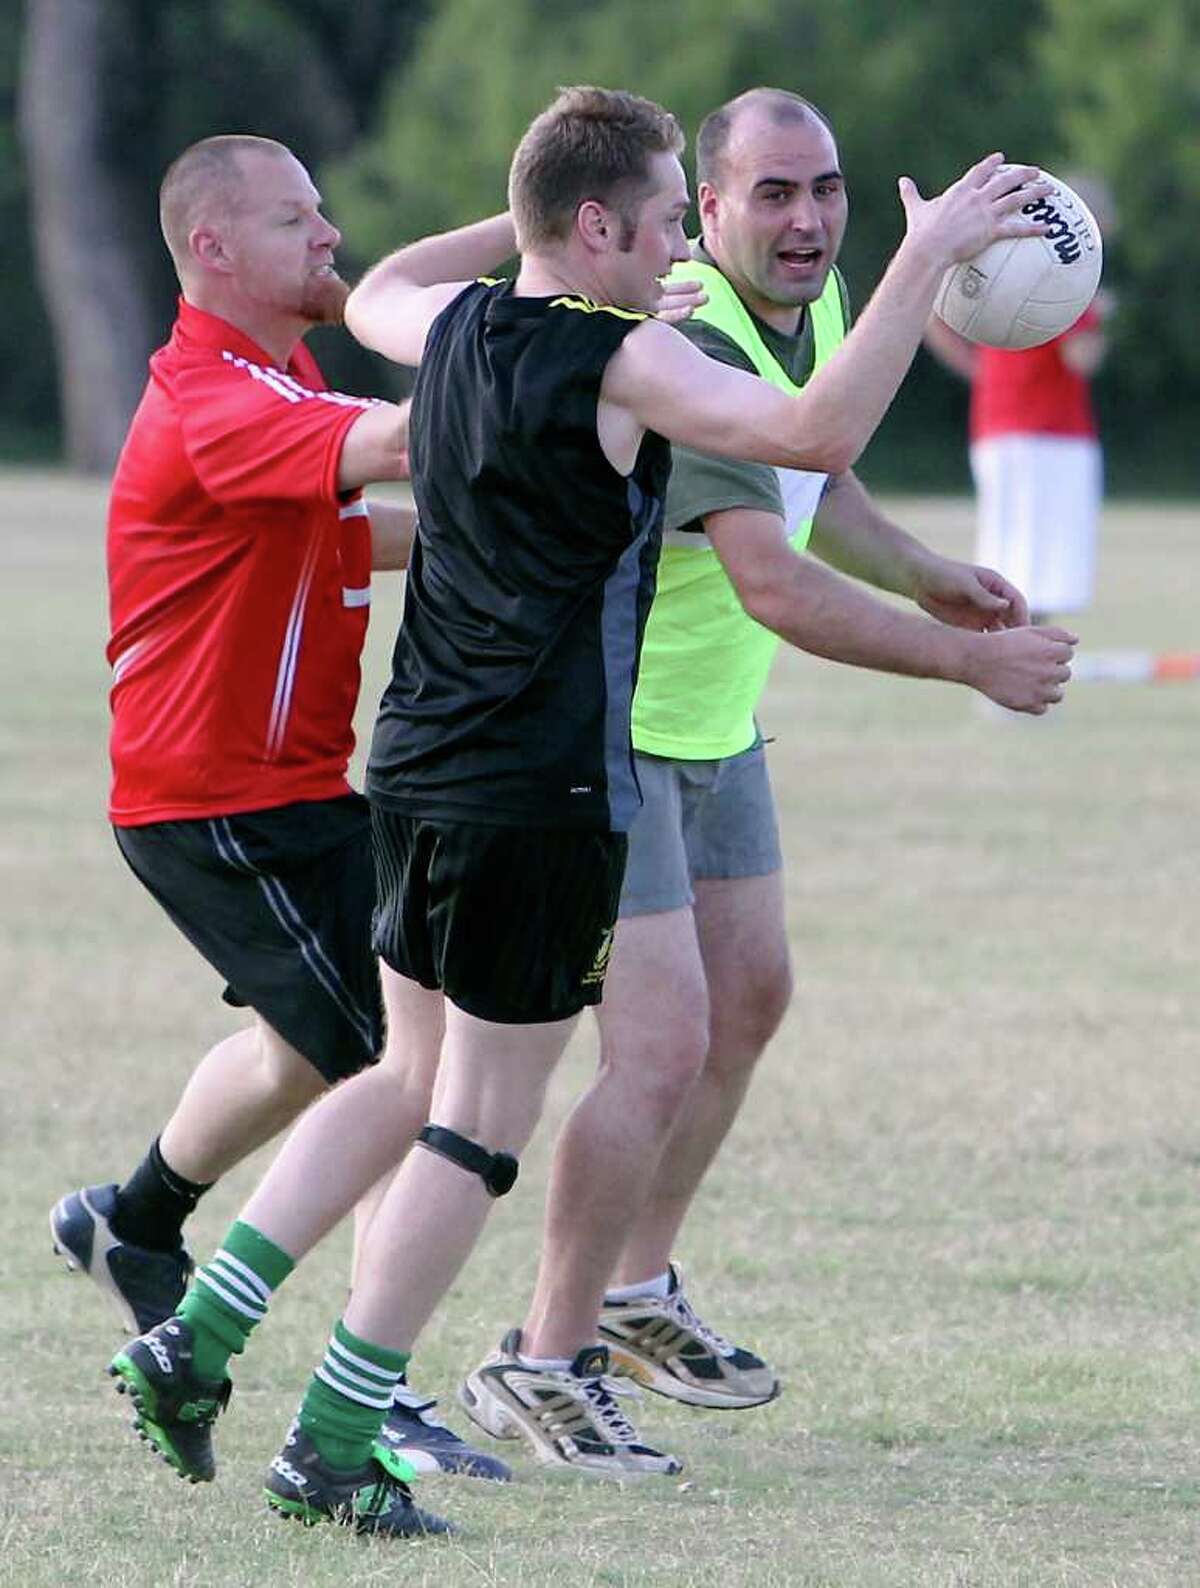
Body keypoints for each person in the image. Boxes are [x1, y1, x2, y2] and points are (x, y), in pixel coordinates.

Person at [105, 86, 1070, 1537]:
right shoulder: (627, 362)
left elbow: (385, 286)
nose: (684, 249)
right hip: (538, 787)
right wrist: (927, 259)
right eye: (673, 218)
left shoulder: (454, 328)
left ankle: (199, 1337)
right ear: (602, 227)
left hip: (411, 768)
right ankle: (336, 1438)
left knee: (407, 1078)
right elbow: (814, 432)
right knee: (474, 1130)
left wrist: (525, 217)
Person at [456, 89, 1080, 1467]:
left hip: (713, 726)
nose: (808, 220)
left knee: (751, 998)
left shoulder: (810, 303)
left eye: (826, 189)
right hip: (611, 737)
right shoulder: (685, 333)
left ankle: (633, 1292)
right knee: (655, 1049)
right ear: (710, 210)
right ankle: (541, 1359)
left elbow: (817, 475)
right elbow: (772, 582)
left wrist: (924, 571)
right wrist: (965, 662)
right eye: (773, 194)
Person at [49, 132, 510, 1484]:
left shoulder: (277, 378)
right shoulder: (217, 398)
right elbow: (404, 440)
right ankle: (379, 1389)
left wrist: (537, 523)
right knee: (401, 1062)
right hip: (221, 801)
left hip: (277, 791)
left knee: (310, 1047)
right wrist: (557, 337)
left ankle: (134, 1224)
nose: (329, 234)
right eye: (295, 217)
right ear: (213, 248)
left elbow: (354, 525)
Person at [924, 175, 1115, 626]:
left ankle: (1004, 647)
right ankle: (1020, 651)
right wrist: (1099, 317)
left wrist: (978, 370)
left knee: (1006, 553)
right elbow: (1082, 358)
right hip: (1052, 433)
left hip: (996, 425)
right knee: (1041, 566)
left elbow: (933, 315)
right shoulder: (1065, 274)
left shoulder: (1004, 255)